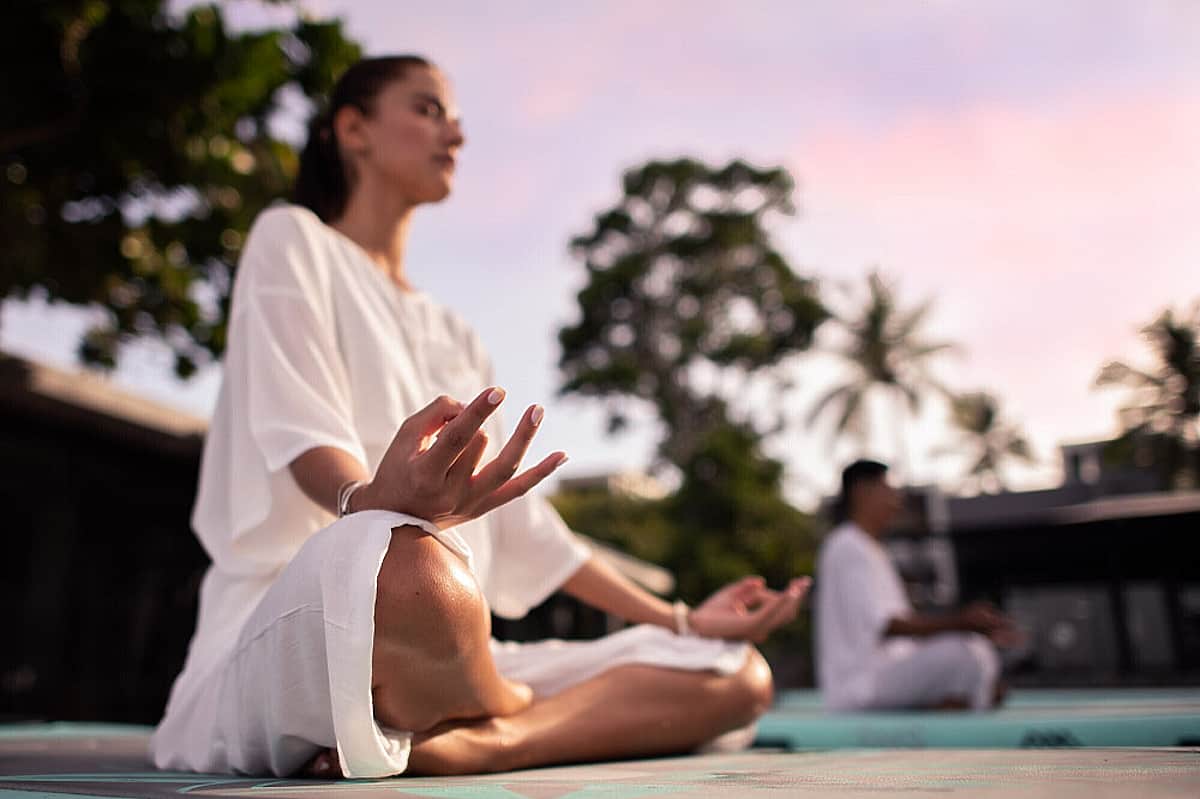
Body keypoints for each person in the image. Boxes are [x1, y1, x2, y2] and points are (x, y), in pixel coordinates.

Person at [150, 55, 810, 779]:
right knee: (404, 564)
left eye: (456, 119)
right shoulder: (293, 238)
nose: (456, 135)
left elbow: (534, 534)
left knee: (734, 670)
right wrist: (369, 500)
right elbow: (299, 426)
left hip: (454, 649)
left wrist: (681, 620)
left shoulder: (455, 334)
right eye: (428, 109)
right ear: (354, 129)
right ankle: (498, 701)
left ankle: (485, 739)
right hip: (312, 616)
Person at [815, 460, 1020, 712]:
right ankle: (963, 700)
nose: (896, 501)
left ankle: (962, 698)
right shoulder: (847, 545)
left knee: (975, 649)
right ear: (862, 492)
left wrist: (966, 628)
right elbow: (886, 625)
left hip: (885, 673)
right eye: (888, 491)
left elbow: (898, 626)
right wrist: (962, 623)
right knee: (963, 652)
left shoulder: (871, 549)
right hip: (860, 685)